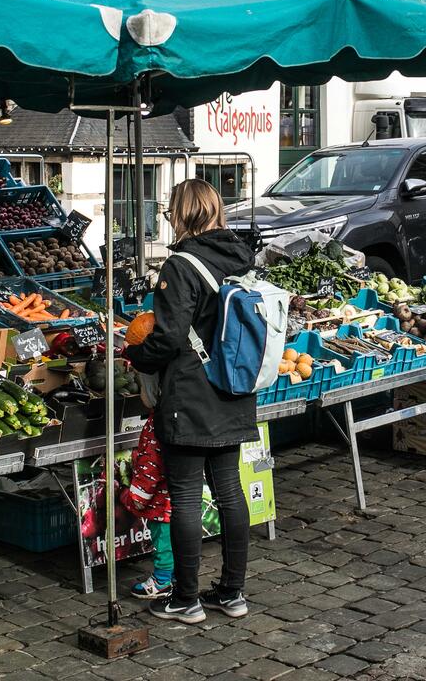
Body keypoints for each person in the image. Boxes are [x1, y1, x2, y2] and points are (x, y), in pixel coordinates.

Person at [124, 179, 257, 624]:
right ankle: (232, 593)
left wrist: (134, 354)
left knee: (183, 496)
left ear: (182, 215)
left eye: (171, 212)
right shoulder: (240, 257)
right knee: (230, 491)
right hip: (233, 388)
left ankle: (185, 598)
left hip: (190, 393)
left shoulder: (180, 265)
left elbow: (167, 338)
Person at [122, 376, 174, 600]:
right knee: (178, 540)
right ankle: (177, 575)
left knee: (163, 541)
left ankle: (162, 580)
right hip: (179, 497)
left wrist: (134, 497)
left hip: (161, 504)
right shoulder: (177, 419)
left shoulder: (155, 427)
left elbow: (148, 469)